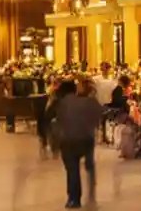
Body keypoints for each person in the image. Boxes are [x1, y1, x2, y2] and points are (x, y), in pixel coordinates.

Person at [53, 79, 102, 208]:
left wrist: (55, 144)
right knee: (90, 166)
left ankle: (74, 199)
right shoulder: (90, 102)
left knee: (72, 169)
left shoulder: (62, 103)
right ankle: (91, 194)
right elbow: (98, 116)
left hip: (68, 140)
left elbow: (57, 121)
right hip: (87, 138)